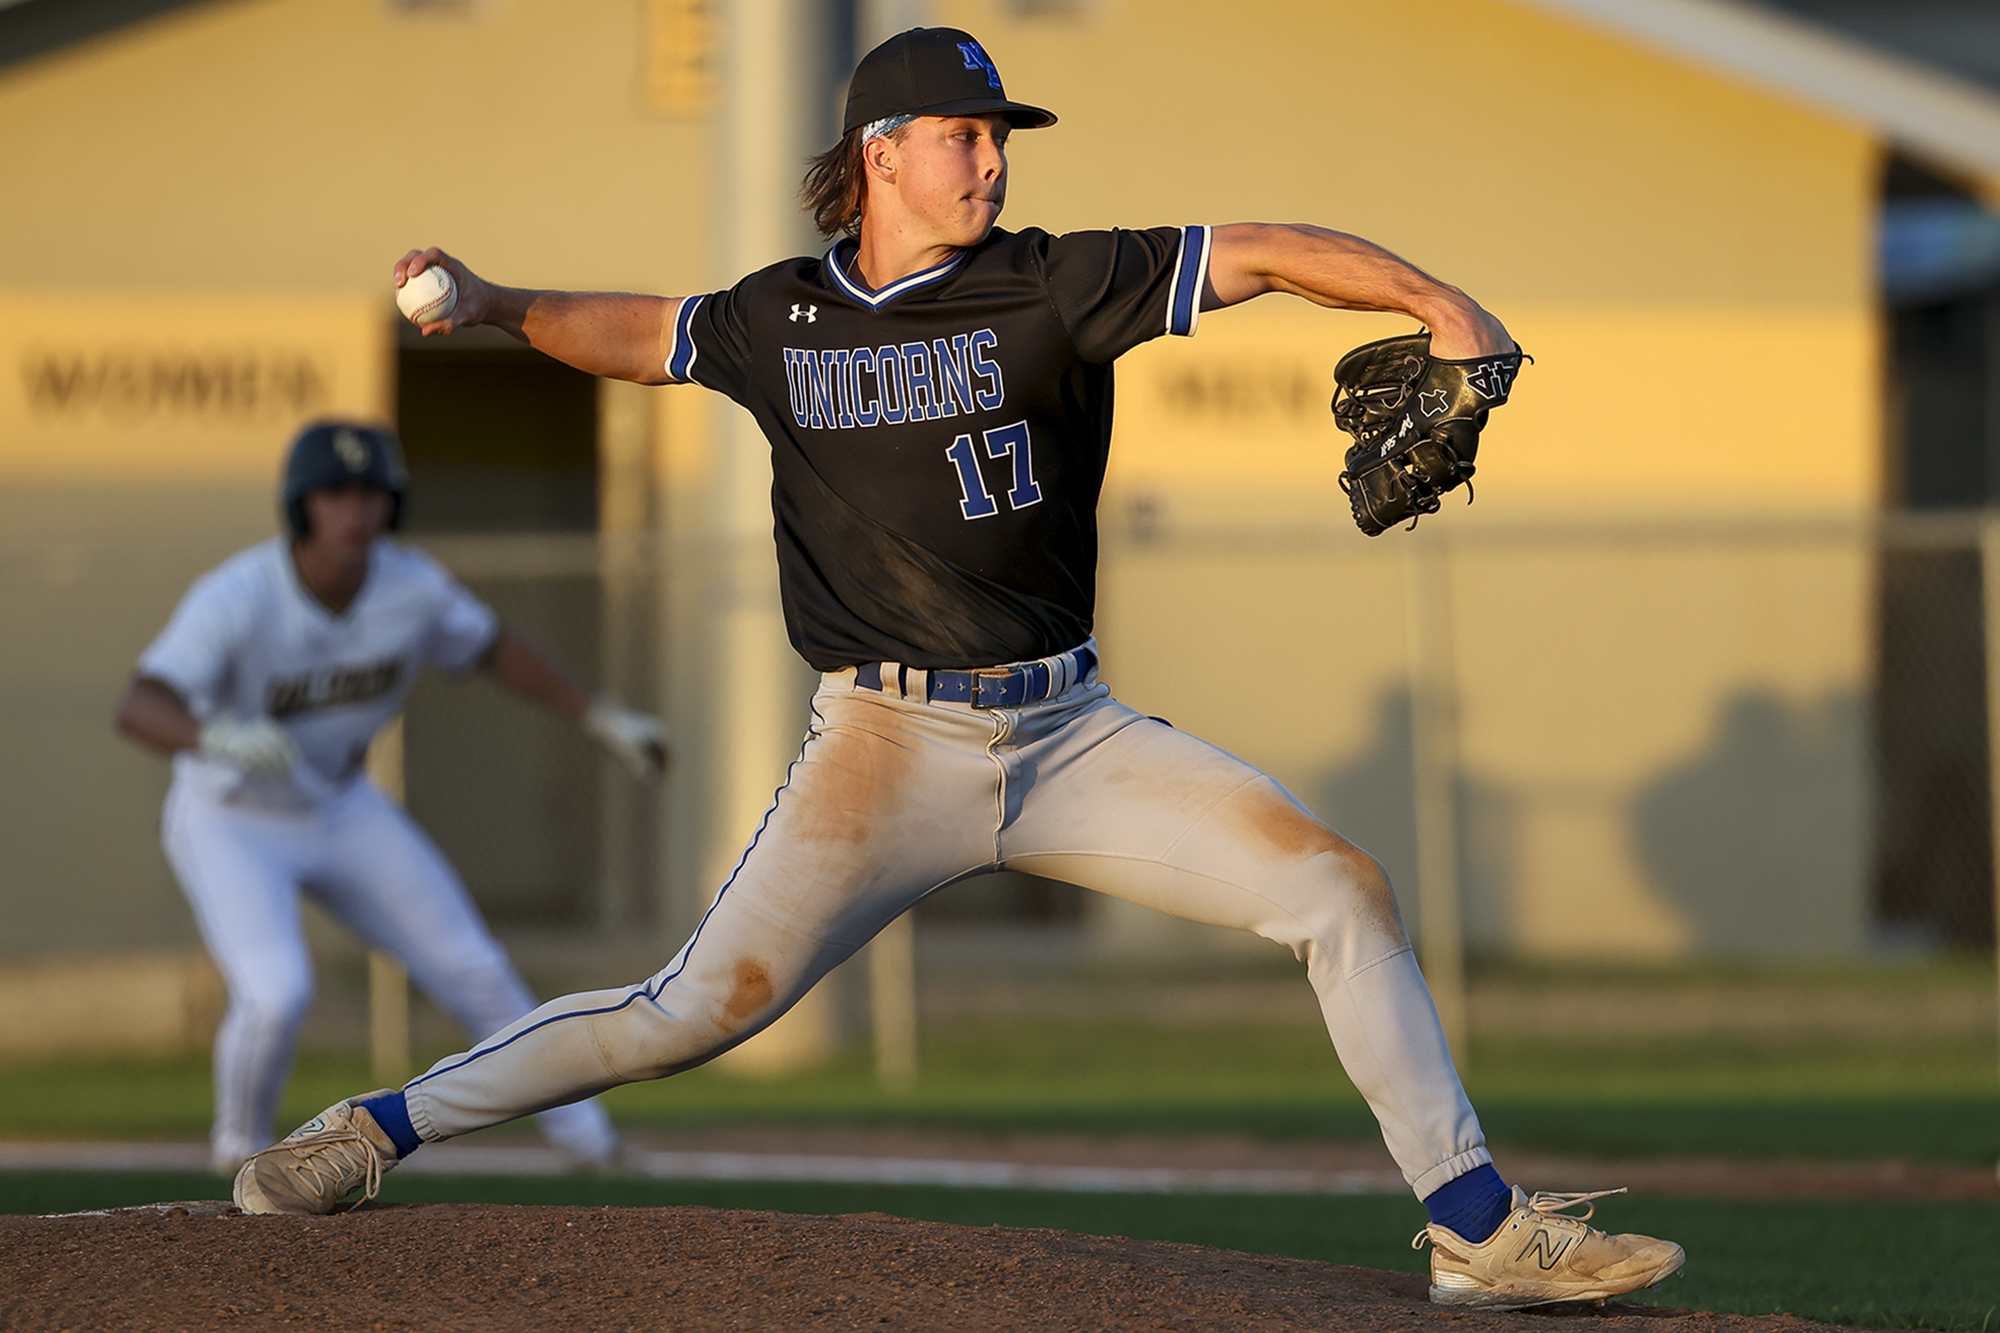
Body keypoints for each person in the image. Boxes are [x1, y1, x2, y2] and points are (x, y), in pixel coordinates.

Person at [233, 28, 1683, 1310]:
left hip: (1073, 736)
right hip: (883, 750)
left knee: (1337, 889)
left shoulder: (1052, 285)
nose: (991, 161)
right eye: (963, 135)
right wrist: (496, 303)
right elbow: (643, 333)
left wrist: (1437, 303)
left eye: (998, 138)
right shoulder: (779, 318)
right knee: (686, 1015)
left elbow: (1257, 247)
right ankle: (374, 1129)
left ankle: (1476, 1229)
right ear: (881, 152)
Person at [114, 420, 666, 1175]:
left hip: (341, 804)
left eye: (372, 493)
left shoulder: (412, 587)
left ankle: (591, 1146)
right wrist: (212, 736)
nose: (356, 510)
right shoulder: (239, 594)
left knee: (476, 968)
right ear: (301, 505)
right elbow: (139, 703)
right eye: (335, 493)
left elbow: (496, 646)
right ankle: (237, 1151)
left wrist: (598, 715)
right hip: (231, 812)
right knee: (276, 991)